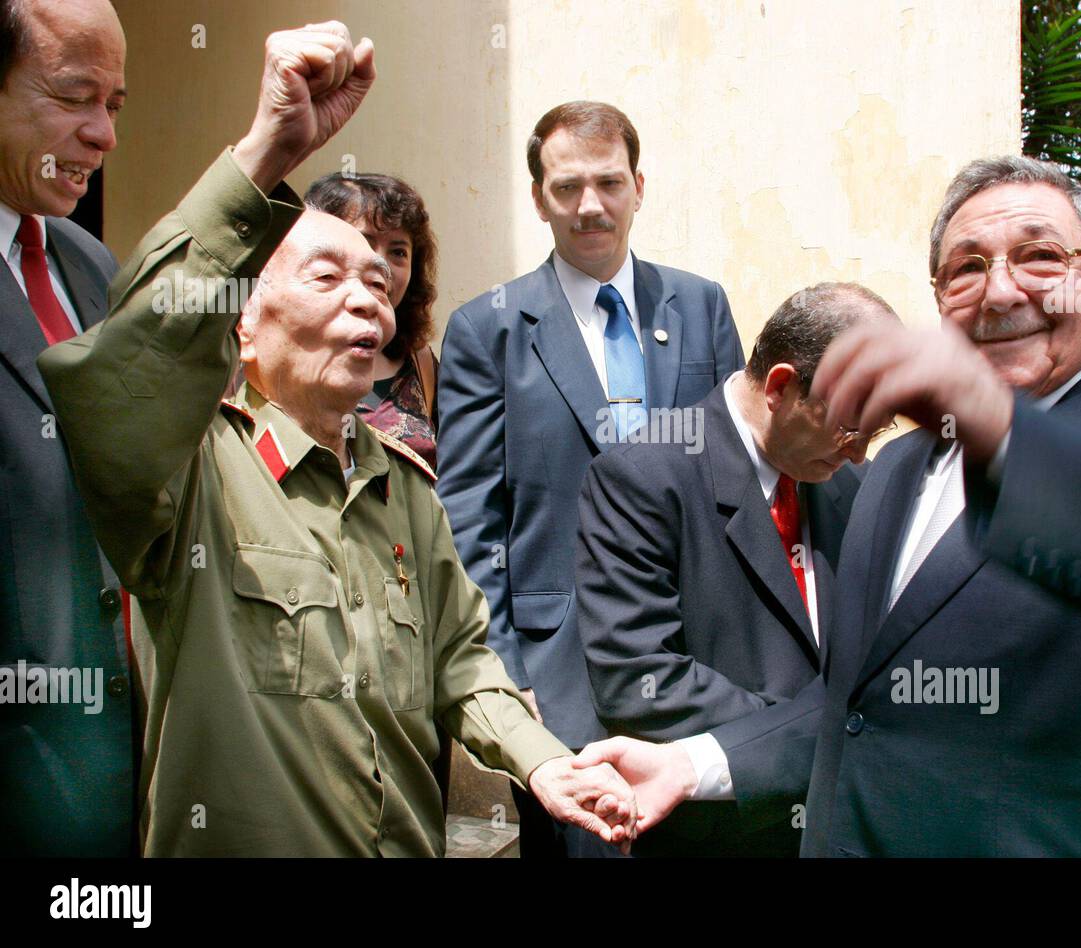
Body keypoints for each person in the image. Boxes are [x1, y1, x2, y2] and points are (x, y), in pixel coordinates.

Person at [580, 155, 1081, 857]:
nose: (1000, 292)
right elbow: (855, 708)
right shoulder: (893, 469)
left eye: (1040, 257)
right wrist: (697, 763)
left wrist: (1004, 433)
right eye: (966, 268)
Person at [37, 20, 637, 857]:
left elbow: (463, 662)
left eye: (376, 280)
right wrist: (261, 156)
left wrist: (545, 765)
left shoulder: (406, 489)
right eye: (325, 276)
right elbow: (132, 361)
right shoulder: (190, 474)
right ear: (241, 321)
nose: (368, 299)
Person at [436, 100, 745, 856]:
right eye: (566, 186)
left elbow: (740, 476)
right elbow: (471, 514)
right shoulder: (490, 328)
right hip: (559, 674)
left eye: (609, 182)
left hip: (700, 659)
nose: (590, 205)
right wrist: (507, 675)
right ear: (540, 197)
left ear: (640, 186)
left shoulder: (701, 307)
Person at [576, 283, 896, 856]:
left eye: (878, 432)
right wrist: (812, 736)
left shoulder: (853, 483)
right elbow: (639, 680)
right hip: (724, 832)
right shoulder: (642, 478)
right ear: (781, 387)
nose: (858, 453)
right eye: (851, 427)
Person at [0, 0, 130, 856]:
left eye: (114, 106)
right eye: (76, 96)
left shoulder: (89, 264)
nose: (103, 136)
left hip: (111, 762)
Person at [305, 172, 440, 468]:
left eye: (398, 252)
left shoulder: (422, 363)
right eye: (363, 242)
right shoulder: (284, 357)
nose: (382, 265)